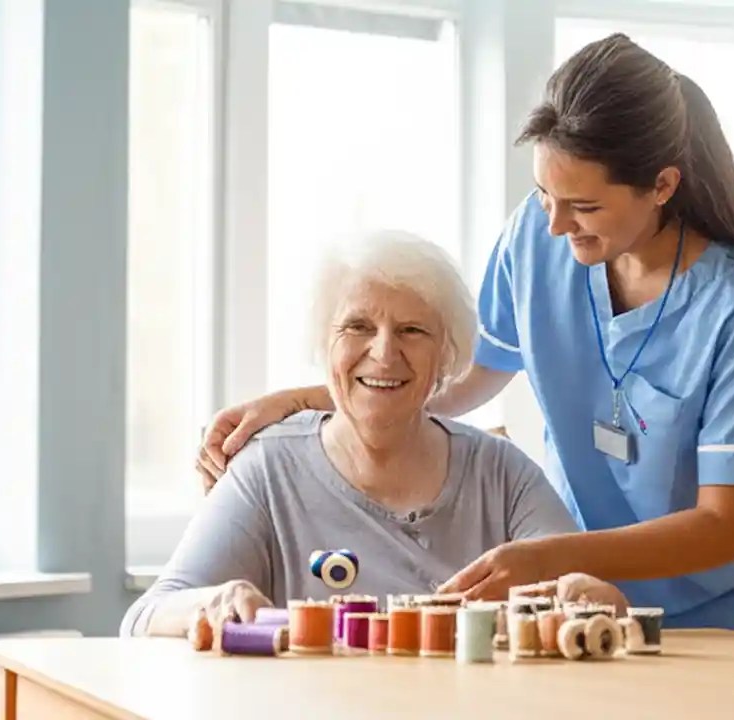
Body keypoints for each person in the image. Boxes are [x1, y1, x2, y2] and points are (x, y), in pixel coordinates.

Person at [197, 34, 734, 641]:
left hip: (730, 619)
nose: (555, 222)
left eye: (584, 206)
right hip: (589, 604)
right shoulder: (537, 238)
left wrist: (543, 557)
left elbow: (724, 527)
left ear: (662, 186)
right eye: (544, 193)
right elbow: (451, 383)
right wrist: (308, 400)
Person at [122, 231, 626, 638]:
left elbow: (586, 592)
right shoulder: (268, 468)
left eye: (412, 331)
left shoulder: (502, 472)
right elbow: (145, 617)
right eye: (358, 327)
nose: (384, 353)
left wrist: (591, 597)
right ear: (324, 346)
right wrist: (213, 602)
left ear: (446, 358)